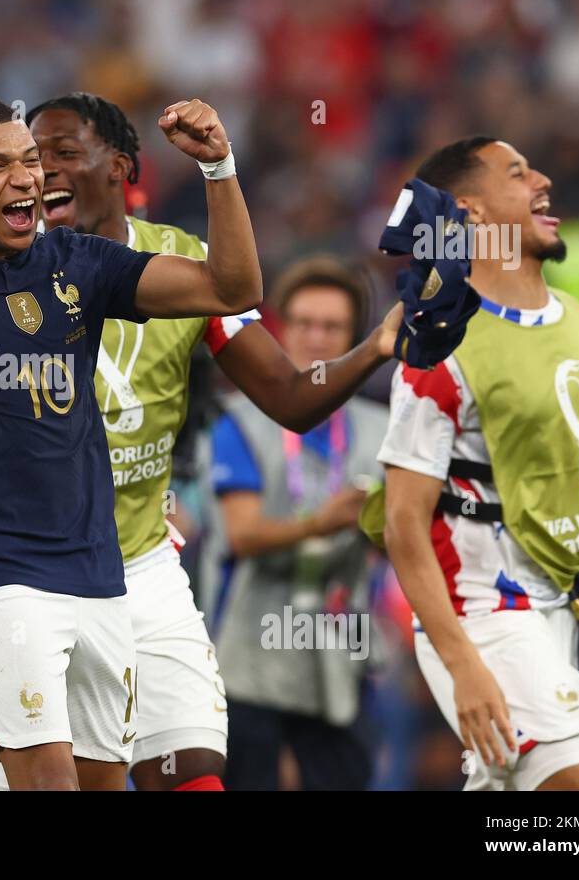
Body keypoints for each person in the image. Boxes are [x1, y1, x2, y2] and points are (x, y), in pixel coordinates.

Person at [0, 93, 403, 791]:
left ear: (121, 168)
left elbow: (290, 395)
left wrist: (378, 345)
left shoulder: (182, 263)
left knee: (193, 770)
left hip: (138, 565)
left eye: (62, 155)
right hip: (16, 575)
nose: (39, 174)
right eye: (27, 159)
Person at [0, 92, 265, 792]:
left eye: (30, 161)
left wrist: (219, 167)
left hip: (99, 577)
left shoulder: (82, 264)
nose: (24, 178)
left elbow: (234, 286)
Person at [379, 137, 579, 790]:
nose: (543, 179)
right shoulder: (438, 344)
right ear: (473, 213)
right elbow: (402, 523)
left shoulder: (570, 314)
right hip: (485, 611)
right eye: (518, 173)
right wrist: (463, 663)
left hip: (556, 606)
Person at [210, 255, 390, 790]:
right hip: (248, 660)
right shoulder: (238, 419)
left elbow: (407, 542)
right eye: (304, 324)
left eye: (332, 327)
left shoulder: (384, 430)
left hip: (343, 654)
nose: (316, 338)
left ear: (354, 338)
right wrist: (325, 523)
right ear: (281, 329)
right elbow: (241, 534)